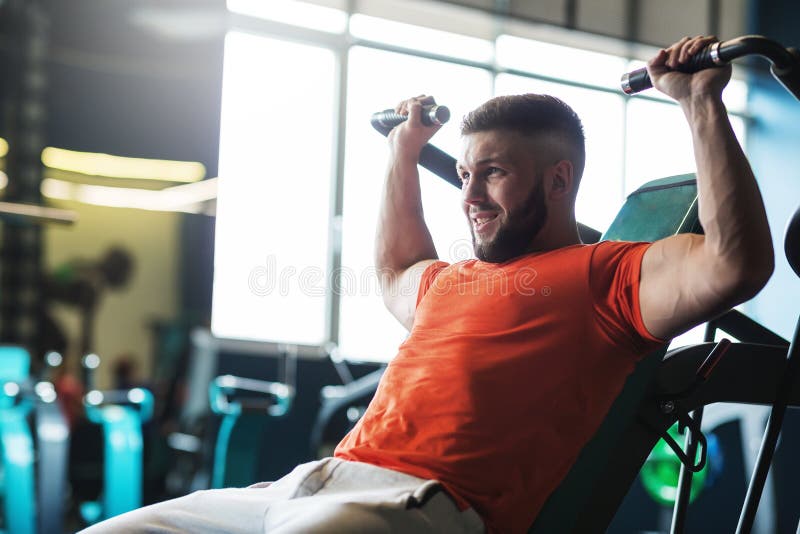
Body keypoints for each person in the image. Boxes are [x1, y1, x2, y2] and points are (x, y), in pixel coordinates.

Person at [81, 35, 773, 534]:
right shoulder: (450, 281)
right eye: (466, 174)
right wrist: (402, 153)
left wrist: (697, 103)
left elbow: (734, 263)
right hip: (306, 485)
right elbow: (392, 269)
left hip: (415, 507)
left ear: (559, 180)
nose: (469, 193)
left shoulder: (608, 277)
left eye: (492, 172)